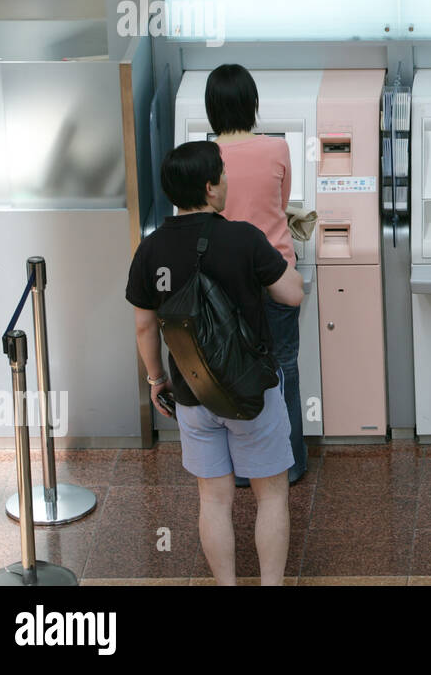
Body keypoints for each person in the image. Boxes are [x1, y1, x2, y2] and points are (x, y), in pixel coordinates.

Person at [126, 141, 304, 584]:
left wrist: (156, 378)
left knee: (214, 499)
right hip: (252, 391)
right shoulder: (243, 237)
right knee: (271, 496)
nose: (226, 182)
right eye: (221, 175)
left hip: (192, 390)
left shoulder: (150, 250)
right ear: (209, 187)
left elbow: (145, 328)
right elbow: (292, 294)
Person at [204, 64, 306, 487]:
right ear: (253, 105)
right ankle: (291, 463)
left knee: (230, 368)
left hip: (224, 282)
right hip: (275, 273)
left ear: (212, 108)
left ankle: (243, 471)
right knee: (283, 368)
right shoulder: (278, 148)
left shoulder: (204, 157)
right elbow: (280, 204)